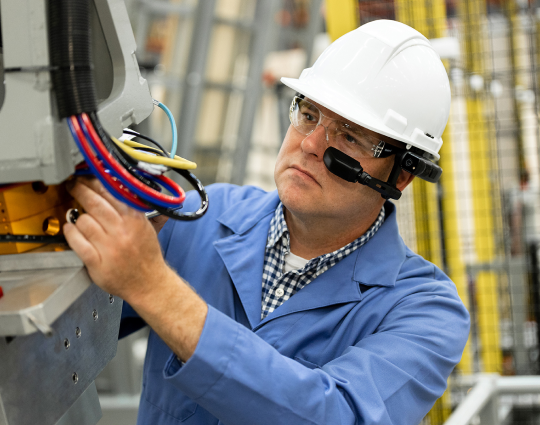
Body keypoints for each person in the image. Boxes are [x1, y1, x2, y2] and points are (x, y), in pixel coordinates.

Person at [64, 20, 470, 425]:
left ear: (401, 174)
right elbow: (70, 334)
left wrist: (154, 286)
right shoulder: (201, 218)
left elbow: (339, 415)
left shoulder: (425, 311)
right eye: (308, 114)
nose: (310, 144)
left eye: (349, 136)